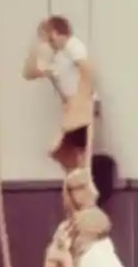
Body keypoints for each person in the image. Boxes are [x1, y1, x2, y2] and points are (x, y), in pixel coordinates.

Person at [22, 16, 97, 173]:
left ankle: (82, 184)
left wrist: (80, 101)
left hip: (81, 105)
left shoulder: (73, 45)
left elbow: (87, 69)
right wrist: (36, 48)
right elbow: (29, 73)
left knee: (76, 153)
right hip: (71, 107)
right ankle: (76, 181)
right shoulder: (56, 57)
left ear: (54, 33)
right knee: (61, 152)